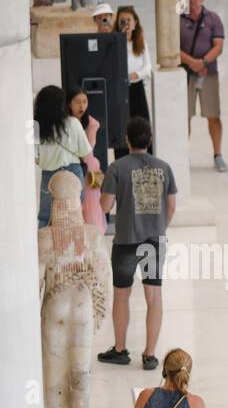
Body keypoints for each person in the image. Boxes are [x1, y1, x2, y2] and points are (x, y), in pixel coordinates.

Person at [98, 117, 177, 370]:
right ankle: (150, 355)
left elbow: (105, 206)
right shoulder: (164, 167)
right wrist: (158, 229)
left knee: (122, 295)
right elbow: (172, 205)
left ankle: (120, 349)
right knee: (154, 296)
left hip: (125, 242)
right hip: (154, 240)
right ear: (150, 140)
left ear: (127, 140)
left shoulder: (117, 167)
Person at [179, 0, 227, 172]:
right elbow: (172, 45)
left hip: (209, 74)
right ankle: (183, 155)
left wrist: (203, 62)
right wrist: (192, 63)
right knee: (185, 116)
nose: (193, 0)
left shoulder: (213, 18)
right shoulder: (178, 18)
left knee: (213, 114)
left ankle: (218, 154)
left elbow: (219, 45)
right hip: (186, 74)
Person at [33, 85, 90, 229]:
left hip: (48, 174)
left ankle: (43, 249)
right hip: (73, 172)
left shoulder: (33, 126)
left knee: (45, 216)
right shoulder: (73, 123)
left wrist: (48, 160)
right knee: (74, 214)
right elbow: (85, 152)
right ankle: (74, 248)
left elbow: (33, 158)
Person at [65, 88, 105, 233]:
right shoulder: (64, 123)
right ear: (69, 104)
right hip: (71, 167)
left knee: (91, 206)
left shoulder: (91, 123)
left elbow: (88, 147)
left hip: (88, 169)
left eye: (84, 101)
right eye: (77, 102)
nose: (81, 106)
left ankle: (92, 239)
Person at [117, 6, 152, 137]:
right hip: (120, 89)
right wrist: (120, 37)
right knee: (123, 127)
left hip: (136, 87)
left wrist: (133, 76)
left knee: (142, 126)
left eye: (128, 20)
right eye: (122, 21)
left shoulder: (141, 42)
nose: (126, 23)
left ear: (135, 22)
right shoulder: (115, 42)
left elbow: (147, 67)